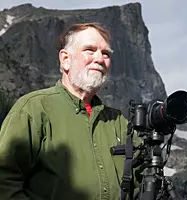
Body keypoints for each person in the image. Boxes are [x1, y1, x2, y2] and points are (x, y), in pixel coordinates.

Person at [0, 22, 141, 200]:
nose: (99, 59)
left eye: (106, 53)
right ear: (66, 59)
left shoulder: (119, 122)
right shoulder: (33, 109)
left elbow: (141, 184)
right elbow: (4, 180)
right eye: (90, 50)